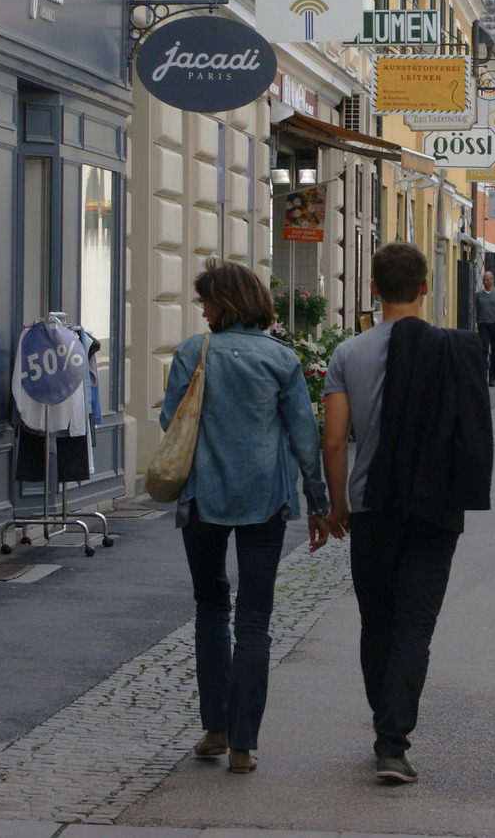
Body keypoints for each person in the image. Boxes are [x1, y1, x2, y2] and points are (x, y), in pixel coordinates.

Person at [321, 241, 494, 785]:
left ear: (373, 289)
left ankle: (385, 726)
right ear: (424, 288)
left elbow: (333, 442)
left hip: (373, 505)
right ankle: (392, 745)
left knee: (378, 622)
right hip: (433, 506)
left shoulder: (348, 354)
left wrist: (338, 503)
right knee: (414, 628)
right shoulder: (450, 349)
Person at [159, 262, 333, 776]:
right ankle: (243, 745)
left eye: (207, 302)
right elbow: (305, 434)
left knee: (211, 606)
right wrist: (319, 503)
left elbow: (172, 419)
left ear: (225, 303)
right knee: (254, 620)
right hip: (265, 501)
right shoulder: (281, 358)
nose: (203, 311)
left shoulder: (195, 352)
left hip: (203, 500)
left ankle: (215, 726)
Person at [472, 270, 495, 388]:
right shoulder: (479, 294)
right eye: (484, 280)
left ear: (492, 280)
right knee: (484, 350)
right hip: (483, 324)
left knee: (494, 352)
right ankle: (483, 375)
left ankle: (492, 377)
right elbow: (476, 309)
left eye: (487, 279)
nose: (485, 282)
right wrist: (478, 321)